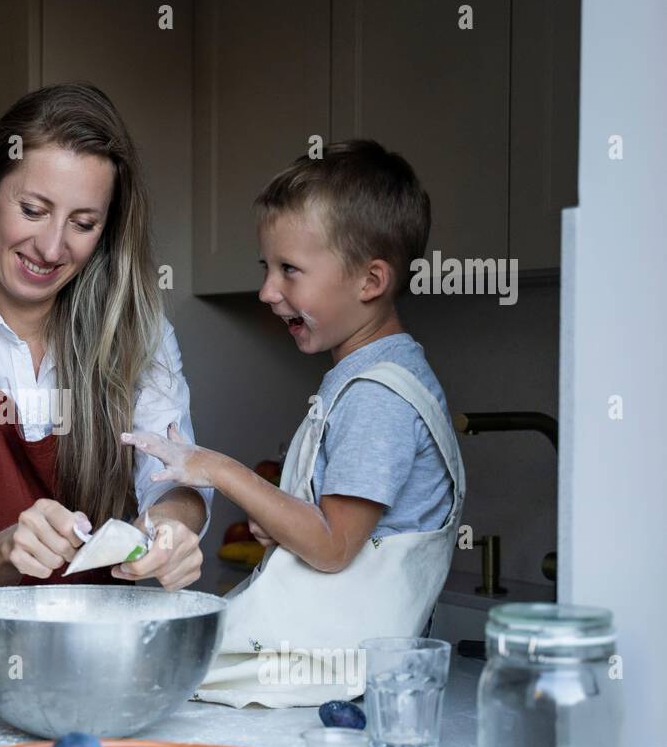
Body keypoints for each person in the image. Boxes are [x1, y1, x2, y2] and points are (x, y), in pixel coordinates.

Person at [124, 139, 465, 707]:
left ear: (370, 281)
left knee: (154, 676)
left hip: (333, 674)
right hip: (335, 667)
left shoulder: (378, 397)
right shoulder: (369, 378)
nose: (267, 290)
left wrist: (217, 469)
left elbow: (332, 549)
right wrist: (283, 525)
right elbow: (329, 530)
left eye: (290, 271)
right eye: (267, 267)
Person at [0, 83, 211, 644]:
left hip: (103, 655)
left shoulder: (141, 338)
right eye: (34, 210)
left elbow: (174, 480)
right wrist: (5, 550)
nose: (50, 247)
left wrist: (169, 534)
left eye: (83, 223)